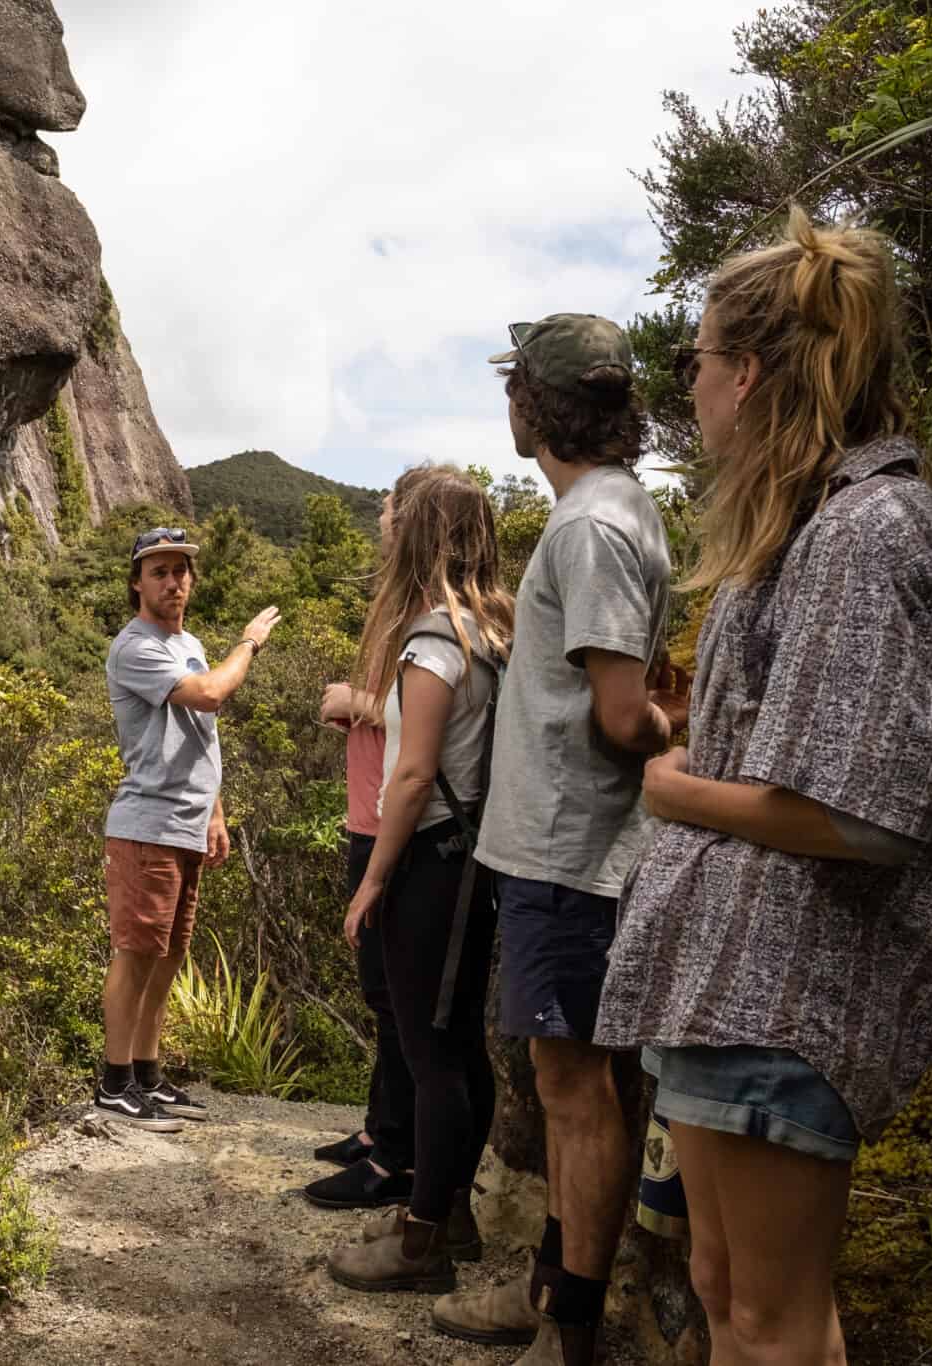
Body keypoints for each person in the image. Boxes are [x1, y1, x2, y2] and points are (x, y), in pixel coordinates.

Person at [595, 209, 932, 1365]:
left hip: (785, 995)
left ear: (747, 373)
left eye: (697, 360)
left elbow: (864, 816)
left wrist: (673, 789)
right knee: (728, 1290)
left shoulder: (868, 533)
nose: (692, 384)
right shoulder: (813, 529)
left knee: (766, 1316)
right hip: (731, 985)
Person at [429, 314, 682, 1366]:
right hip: (570, 849)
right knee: (579, 1082)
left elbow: (623, 715)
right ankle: (549, 1288)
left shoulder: (586, 528)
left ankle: (569, 1327)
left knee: (575, 1090)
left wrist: (680, 734)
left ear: (528, 405)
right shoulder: (618, 510)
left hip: (570, 855)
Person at [307, 465, 512, 1296]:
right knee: (459, 1043)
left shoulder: (434, 642)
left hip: (429, 860)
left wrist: (373, 881)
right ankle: (450, 1210)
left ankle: (421, 1236)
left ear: (422, 536)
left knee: (430, 1054)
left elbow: (414, 774)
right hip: (473, 860)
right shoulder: (492, 631)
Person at [96, 526, 281, 1131]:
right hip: (147, 822)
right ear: (137, 582)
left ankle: (148, 1075)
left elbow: (204, 737)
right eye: (159, 572)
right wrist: (249, 644)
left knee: (170, 954)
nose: (173, 582)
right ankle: (114, 1084)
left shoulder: (189, 641)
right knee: (135, 953)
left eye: (181, 571)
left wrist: (216, 813)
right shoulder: (135, 647)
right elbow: (208, 696)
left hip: (186, 824)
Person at [311, 670, 397, 1176]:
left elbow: (437, 714)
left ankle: (393, 1149)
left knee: (394, 997)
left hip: (393, 826)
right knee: (381, 992)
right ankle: (379, 1128)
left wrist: (357, 700)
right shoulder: (397, 631)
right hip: (367, 822)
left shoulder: (435, 628)